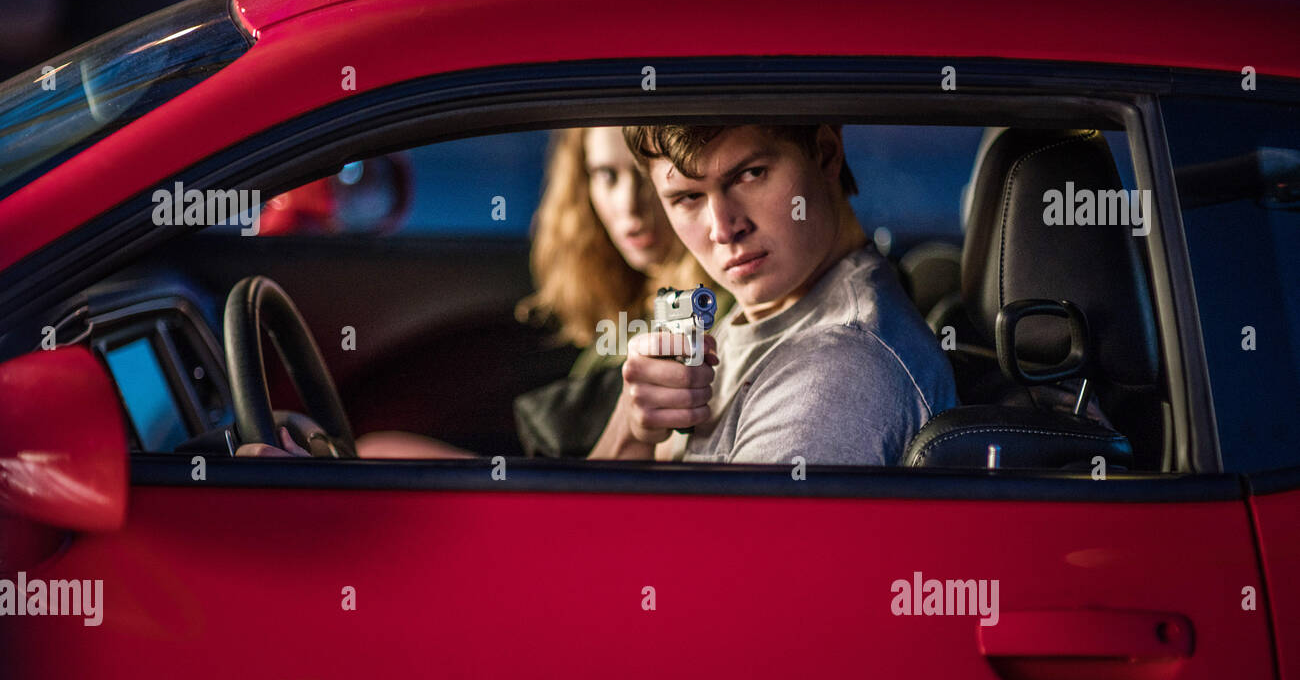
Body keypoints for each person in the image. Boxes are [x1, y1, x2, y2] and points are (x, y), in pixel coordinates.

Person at [238, 126, 725, 458]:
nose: (629, 205)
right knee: (375, 450)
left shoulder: (702, 316)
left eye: (645, 175)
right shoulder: (636, 300)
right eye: (605, 176)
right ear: (580, 186)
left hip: (566, 527)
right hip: (557, 503)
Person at [588, 123, 958, 465]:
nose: (723, 229)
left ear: (826, 153)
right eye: (687, 197)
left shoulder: (839, 371)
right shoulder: (767, 308)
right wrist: (632, 427)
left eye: (750, 175)